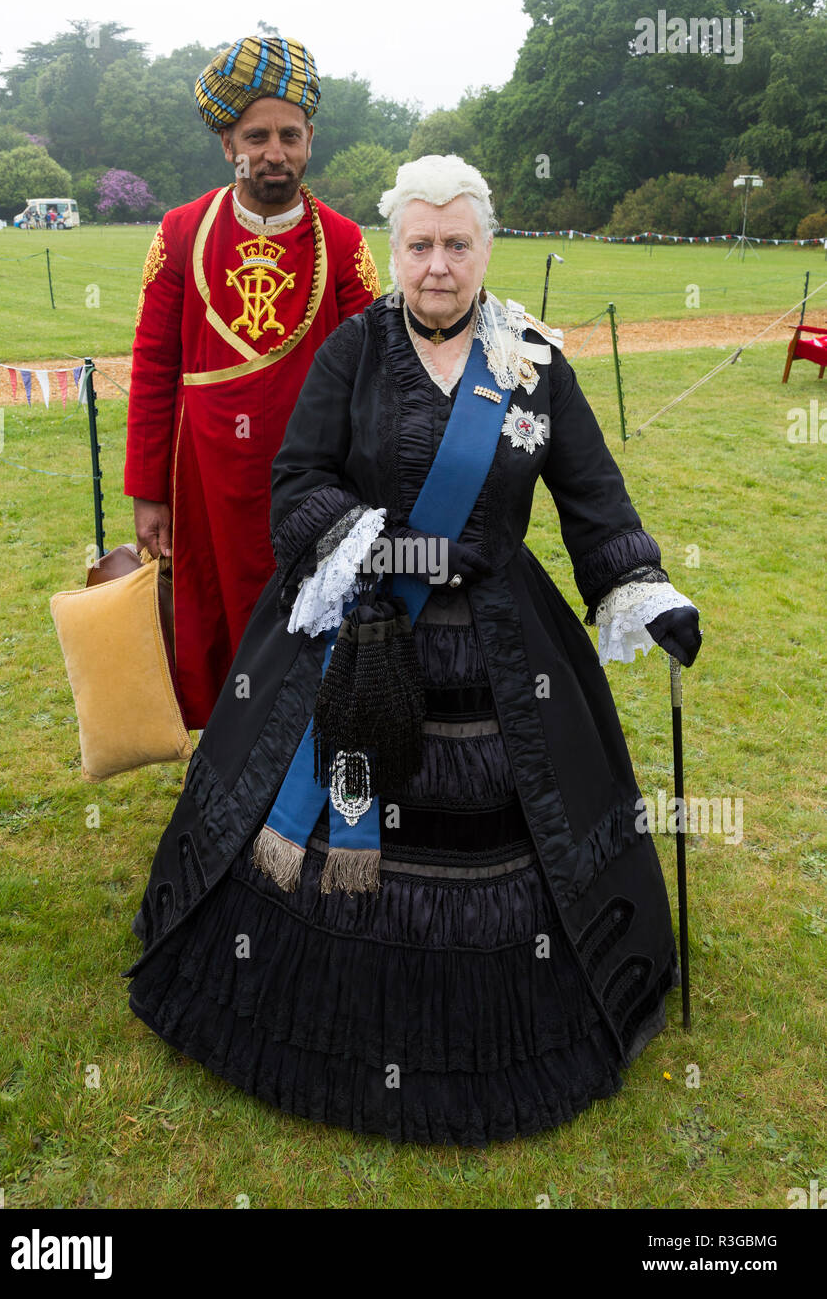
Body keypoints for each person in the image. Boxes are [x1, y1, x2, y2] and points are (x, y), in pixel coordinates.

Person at [125, 154, 702, 1147]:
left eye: (456, 244)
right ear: (394, 251)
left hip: (496, 635)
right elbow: (296, 475)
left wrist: (636, 582)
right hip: (362, 629)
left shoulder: (531, 361)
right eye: (419, 244)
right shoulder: (351, 350)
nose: (437, 264)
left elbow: (590, 494)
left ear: (486, 248)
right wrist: (363, 539)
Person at [124, 34, 381, 728]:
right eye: (257, 135)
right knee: (217, 622)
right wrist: (149, 492)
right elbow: (152, 365)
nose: (275, 152)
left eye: (289, 136)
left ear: (310, 140)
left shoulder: (347, 242)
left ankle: (302, 769)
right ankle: (227, 765)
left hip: (316, 482)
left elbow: (375, 376)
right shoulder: (179, 234)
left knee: (312, 617)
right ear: (228, 143)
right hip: (206, 482)